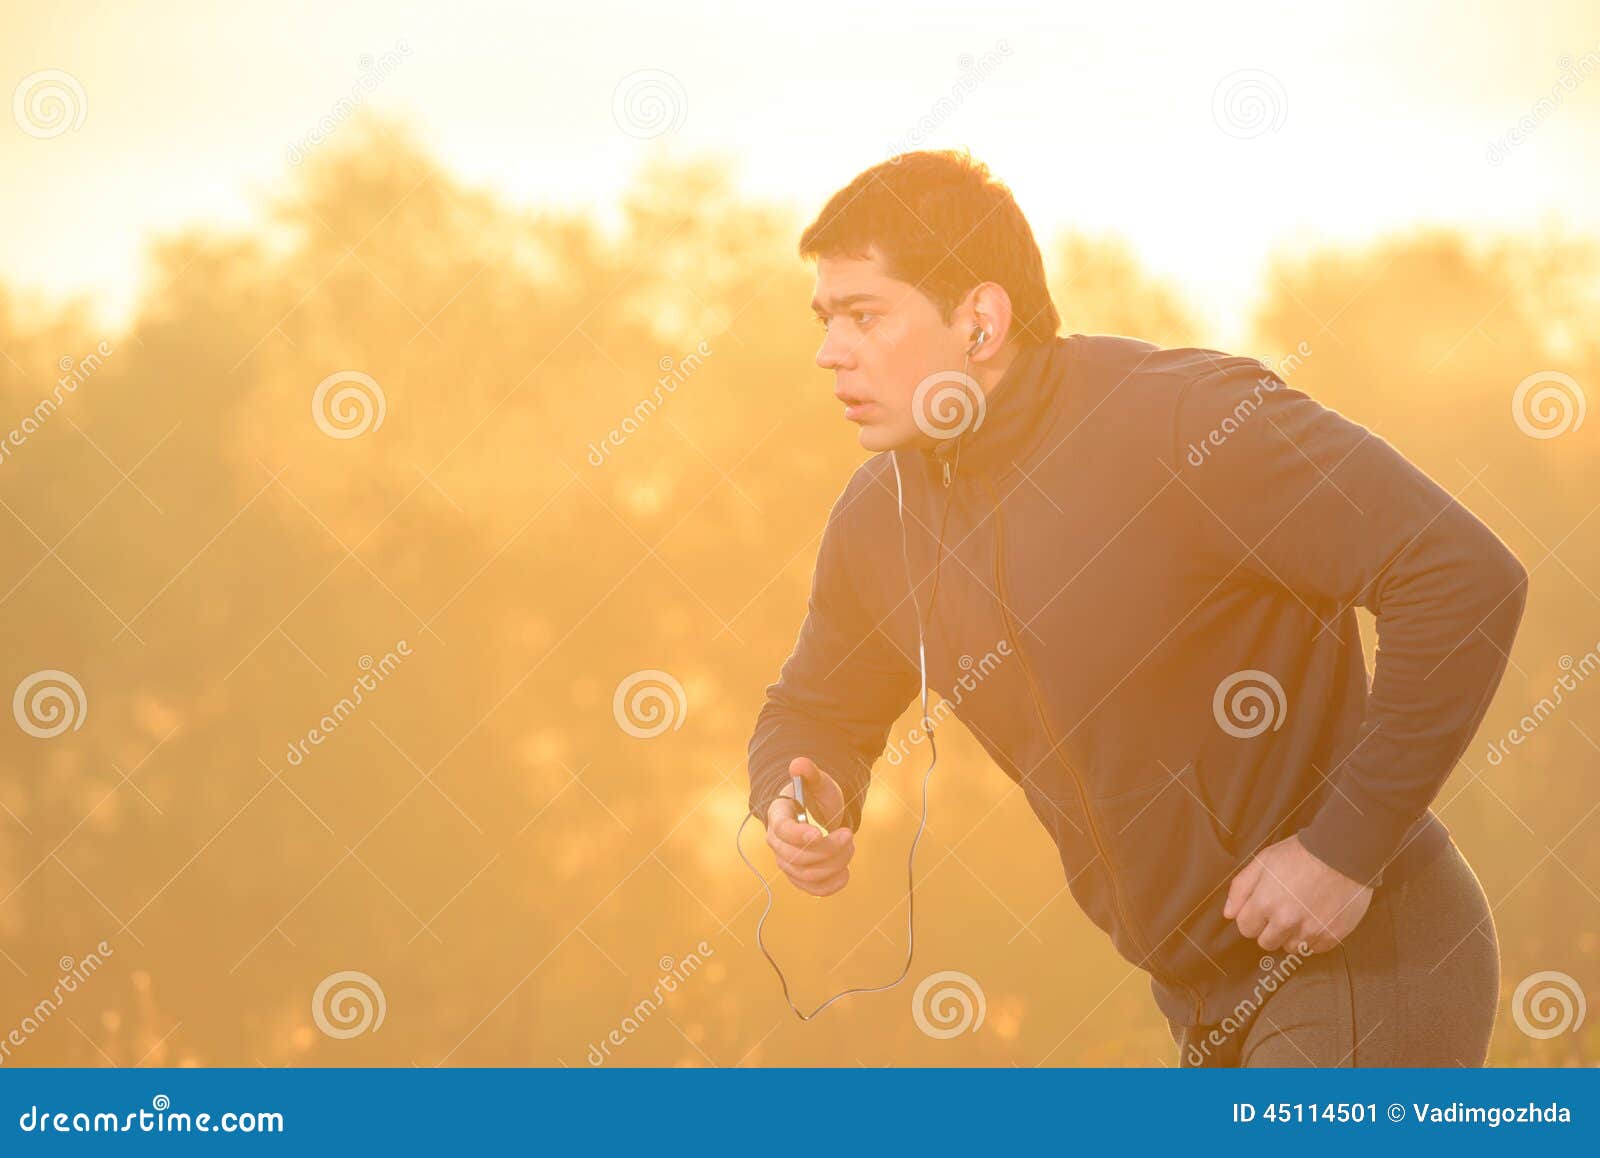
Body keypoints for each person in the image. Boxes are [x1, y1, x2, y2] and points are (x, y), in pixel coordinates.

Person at [744, 149, 1527, 1066]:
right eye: (826, 318)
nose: (829, 350)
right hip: (1198, 1000)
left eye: (864, 315)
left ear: (979, 320)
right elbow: (814, 708)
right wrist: (803, 788)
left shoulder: (1184, 423)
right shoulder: (883, 515)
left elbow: (1460, 572)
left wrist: (1344, 851)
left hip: (1361, 952)